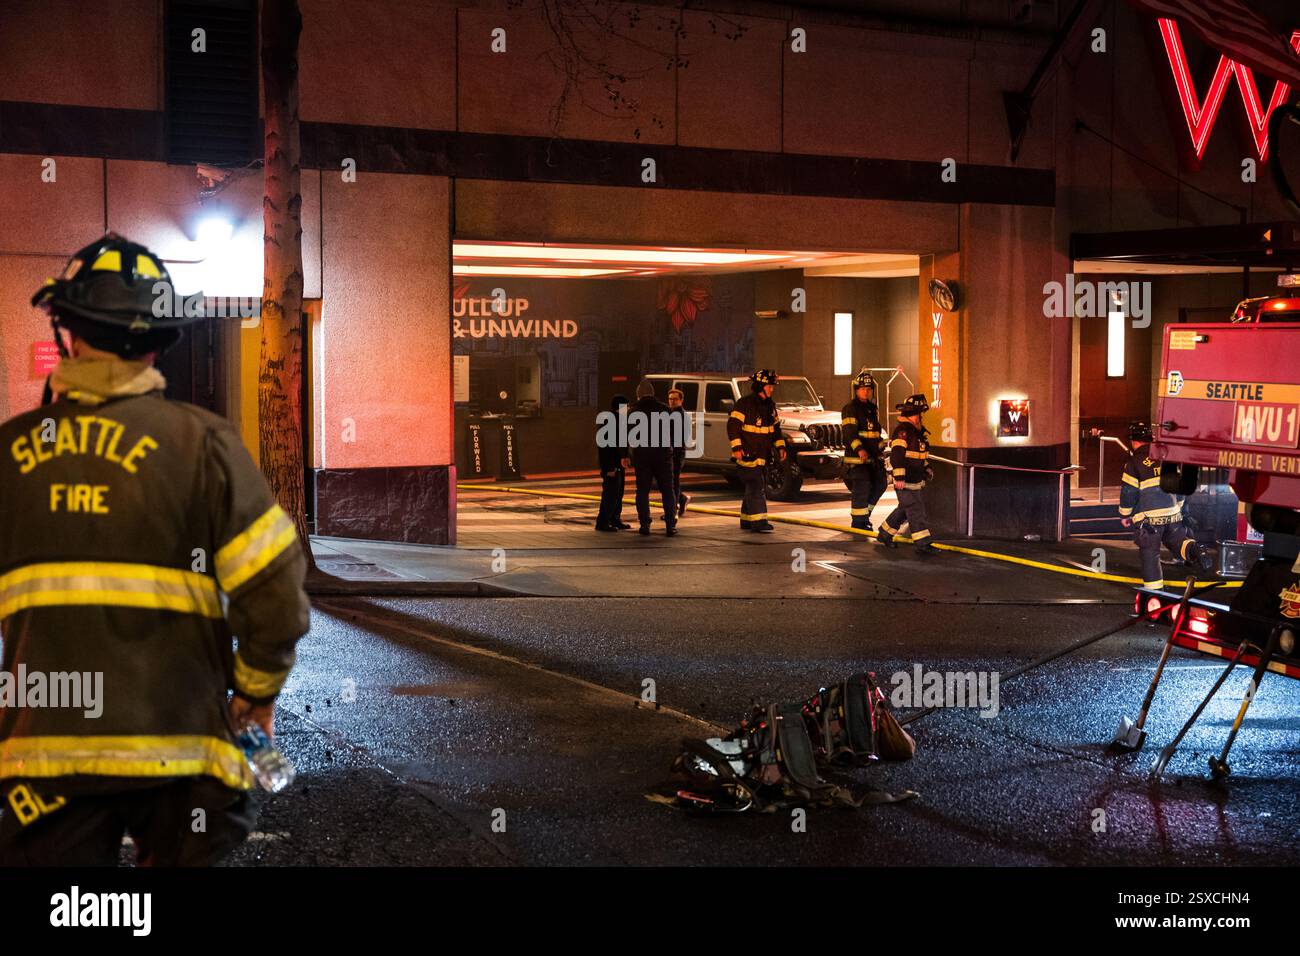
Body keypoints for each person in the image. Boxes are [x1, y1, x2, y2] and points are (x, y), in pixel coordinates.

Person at [0, 234, 310, 866]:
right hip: (184, 753)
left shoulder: (9, 454)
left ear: (68, 332)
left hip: (45, 759)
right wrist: (254, 695)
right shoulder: (205, 445)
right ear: (156, 341)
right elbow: (276, 591)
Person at [1119, 421, 1211, 590]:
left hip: (1149, 520)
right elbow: (1179, 486)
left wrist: (1125, 515)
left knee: (1150, 554)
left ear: (1133, 441)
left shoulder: (1134, 462)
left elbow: (1128, 493)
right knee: (1178, 542)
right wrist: (1181, 508)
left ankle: (1155, 593)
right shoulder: (1166, 458)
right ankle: (1195, 549)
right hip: (1173, 514)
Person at [727, 368, 787, 533]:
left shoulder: (769, 406)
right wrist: (737, 448)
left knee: (753, 486)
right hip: (747, 454)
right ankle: (759, 522)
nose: (772, 389)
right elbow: (733, 427)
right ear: (761, 386)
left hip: (762, 455)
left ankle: (747, 520)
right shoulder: (744, 404)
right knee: (756, 486)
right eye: (769, 386)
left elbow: (776, 429)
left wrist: (781, 446)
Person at [876, 393, 937, 553]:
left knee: (904, 509)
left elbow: (920, 456)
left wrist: (927, 468)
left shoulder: (917, 433)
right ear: (913, 413)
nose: (922, 417)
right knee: (916, 510)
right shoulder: (903, 431)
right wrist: (900, 477)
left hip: (914, 480)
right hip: (905, 481)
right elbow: (897, 456)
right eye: (920, 413)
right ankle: (923, 544)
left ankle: (884, 534)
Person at [841, 368, 887, 532]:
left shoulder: (872, 409)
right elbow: (849, 433)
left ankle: (864, 516)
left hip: (873, 459)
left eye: (869, 389)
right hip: (857, 460)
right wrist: (859, 449)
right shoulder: (850, 408)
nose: (866, 392)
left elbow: (875, 434)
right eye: (863, 389)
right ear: (856, 390)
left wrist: (881, 448)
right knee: (862, 487)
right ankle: (858, 523)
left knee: (881, 484)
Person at [629, 380, 677, 536]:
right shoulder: (665, 409)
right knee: (668, 491)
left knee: (642, 491)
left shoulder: (633, 411)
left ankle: (645, 524)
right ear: (653, 393)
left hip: (642, 456)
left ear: (638, 395)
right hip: (663, 455)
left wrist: (625, 455)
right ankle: (670, 525)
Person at [595, 394, 632, 532]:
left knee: (618, 492)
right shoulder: (609, 421)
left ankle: (615, 519)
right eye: (627, 406)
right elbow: (605, 447)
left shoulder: (619, 420)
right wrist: (609, 467)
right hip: (611, 465)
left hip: (618, 464)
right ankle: (603, 522)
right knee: (610, 494)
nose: (628, 409)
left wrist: (625, 456)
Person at [666, 388, 691, 518]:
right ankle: (681, 499)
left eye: (675, 399)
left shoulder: (682, 415)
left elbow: (683, 437)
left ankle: (672, 510)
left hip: (677, 453)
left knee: (673, 481)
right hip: (668, 453)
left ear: (681, 400)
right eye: (670, 399)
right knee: (668, 481)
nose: (672, 401)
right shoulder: (669, 413)